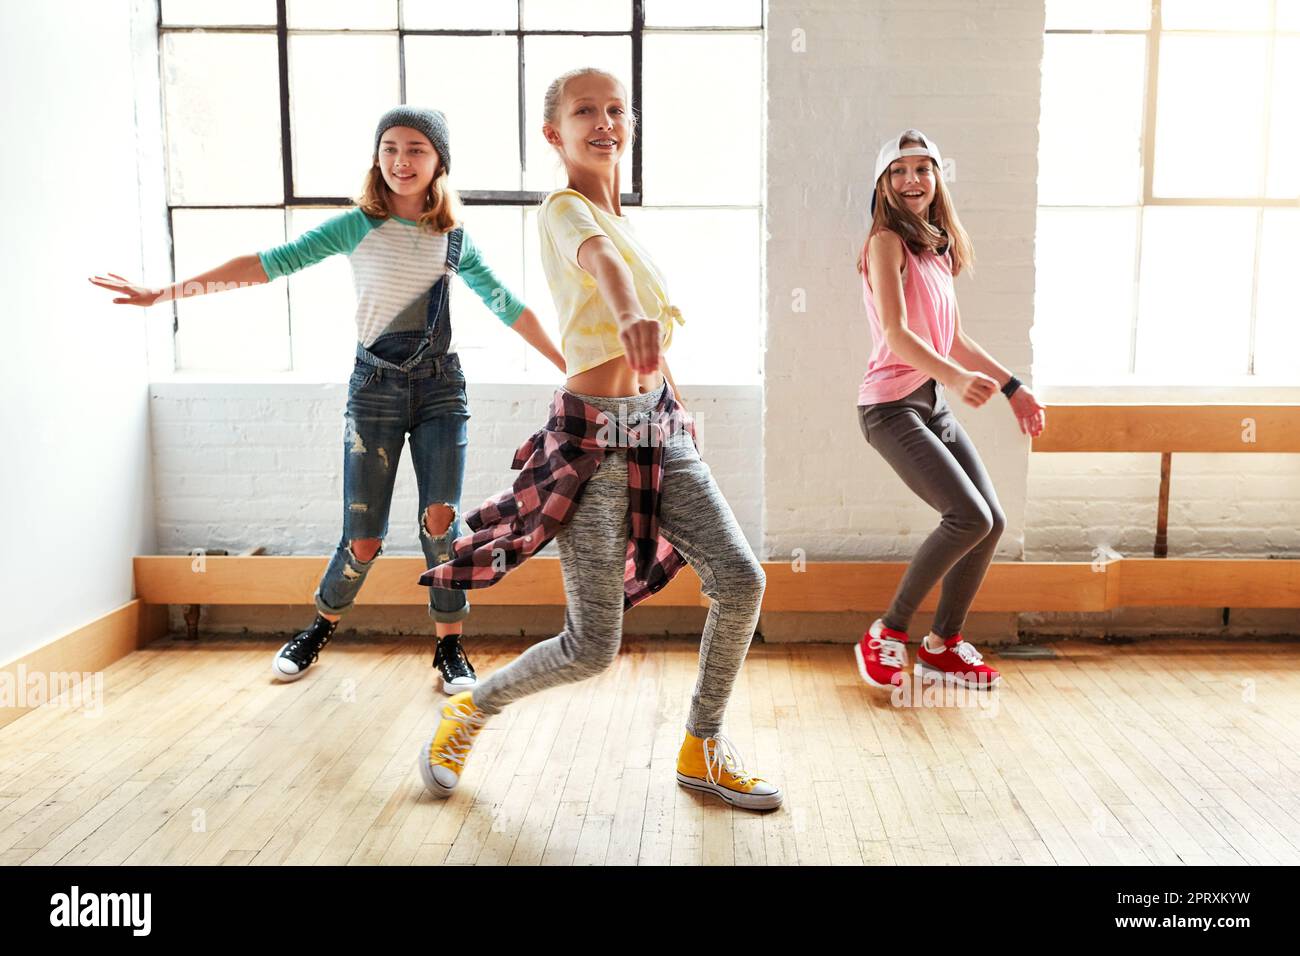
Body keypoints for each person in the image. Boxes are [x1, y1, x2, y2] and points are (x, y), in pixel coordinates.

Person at [90, 106, 564, 693]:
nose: (400, 160)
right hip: (374, 392)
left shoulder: (452, 238)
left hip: (442, 390)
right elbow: (266, 266)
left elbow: (509, 308)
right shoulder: (356, 226)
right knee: (363, 536)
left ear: (439, 160)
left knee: (440, 525)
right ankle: (320, 626)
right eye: (389, 147)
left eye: (415, 148)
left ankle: (450, 647)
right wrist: (163, 293)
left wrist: (576, 369)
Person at [415, 69, 781, 811]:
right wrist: (627, 312)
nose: (606, 121)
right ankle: (469, 710)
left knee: (742, 580)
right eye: (586, 111)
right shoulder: (563, 210)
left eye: (617, 109)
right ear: (555, 134)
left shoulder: (624, 222)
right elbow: (605, 271)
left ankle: (702, 746)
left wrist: (673, 401)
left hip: (659, 431)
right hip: (592, 449)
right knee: (591, 648)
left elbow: (643, 320)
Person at [854, 129, 1046, 692]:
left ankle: (942, 646)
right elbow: (897, 332)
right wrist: (955, 377)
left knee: (990, 521)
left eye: (923, 169)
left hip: (930, 403)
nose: (912, 181)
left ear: (937, 179)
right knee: (968, 517)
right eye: (899, 171)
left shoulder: (936, 248)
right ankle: (885, 633)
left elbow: (954, 336)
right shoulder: (885, 242)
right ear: (884, 184)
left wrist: (1014, 388)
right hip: (890, 408)